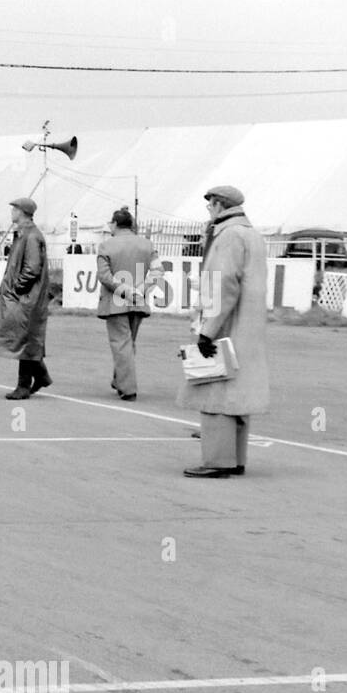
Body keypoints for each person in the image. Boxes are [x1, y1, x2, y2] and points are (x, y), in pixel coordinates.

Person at [178, 186, 269, 478]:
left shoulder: (227, 235)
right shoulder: (252, 234)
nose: (208, 211)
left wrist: (208, 330)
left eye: (210, 205)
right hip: (249, 325)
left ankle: (217, 461)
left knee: (215, 392)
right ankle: (236, 458)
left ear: (218, 205)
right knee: (238, 395)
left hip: (227, 323)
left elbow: (222, 284)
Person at [0, 197, 51, 399]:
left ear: (22, 211)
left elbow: (32, 268)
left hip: (27, 297)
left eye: (14, 209)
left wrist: (16, 288)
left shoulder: (31, 236)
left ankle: (24, 385)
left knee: (24, 338)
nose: (11, 212)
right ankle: (41, 375)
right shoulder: (25, 234)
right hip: (26, 296)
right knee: (25, 338)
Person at [95, 206, 158, 401]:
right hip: (138, 302)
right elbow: (157, 272)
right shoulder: (147, 245)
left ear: (114, 224)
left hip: (116, 302)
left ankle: (128, 388)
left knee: (121, 344)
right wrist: (139, 290)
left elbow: (105, 277)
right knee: (129, 344)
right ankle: (119, 378)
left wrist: (126, 291)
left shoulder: (106, 246)